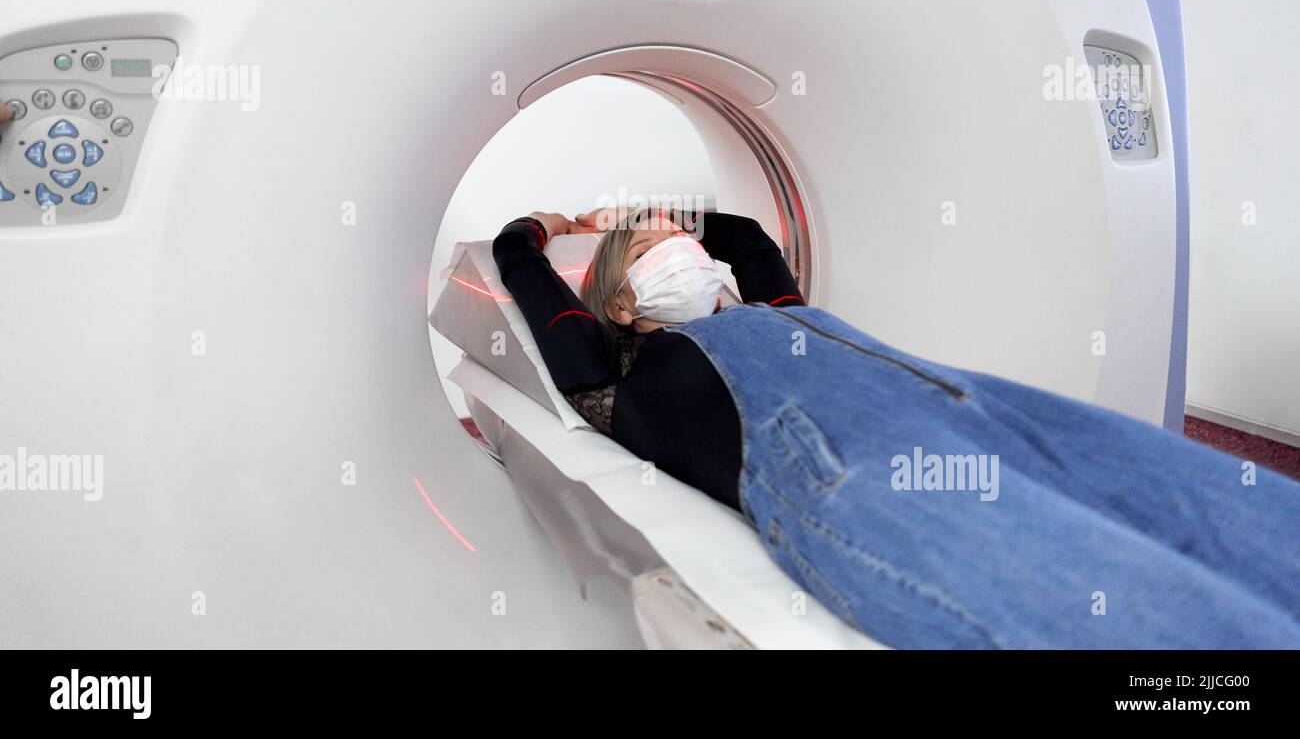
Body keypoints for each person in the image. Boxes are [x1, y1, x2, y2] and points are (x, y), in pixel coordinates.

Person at [493, 205, 1300, 649]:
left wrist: (650, 212)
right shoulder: (622, 380)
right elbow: (531, 279)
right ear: (621, 303)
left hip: (984, 408)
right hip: (847, 464)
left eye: (675, 234)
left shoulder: (780, 311)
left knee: (1230, 507)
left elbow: (738, 232)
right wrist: (542, 230)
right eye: (651, 245)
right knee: (1145, 610)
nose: (680, 246)